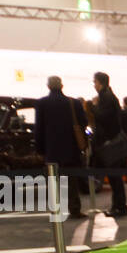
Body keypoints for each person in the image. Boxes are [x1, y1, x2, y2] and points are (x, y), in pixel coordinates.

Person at [33, 75, 87, 217]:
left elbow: (39, 128)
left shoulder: (41, 103)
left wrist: (39, 149)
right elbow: (83, 123)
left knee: (53, 180)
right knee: (72, 181)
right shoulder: (73, 103)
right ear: (62, 86)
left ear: (48, 86)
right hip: (71, 148)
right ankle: (74, 208)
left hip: (51, 149)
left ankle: (56, 209)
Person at [91, 71, 127, 217]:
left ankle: (119, 207)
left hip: (110, 143)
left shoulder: (106, 97)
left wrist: (93, 106)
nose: (94, 85)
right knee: (114, 178)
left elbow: (103, 117)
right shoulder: (109, 96)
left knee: (115, 178)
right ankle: (118, 207)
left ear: (100, 83)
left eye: (94, 82)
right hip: (111, 142)